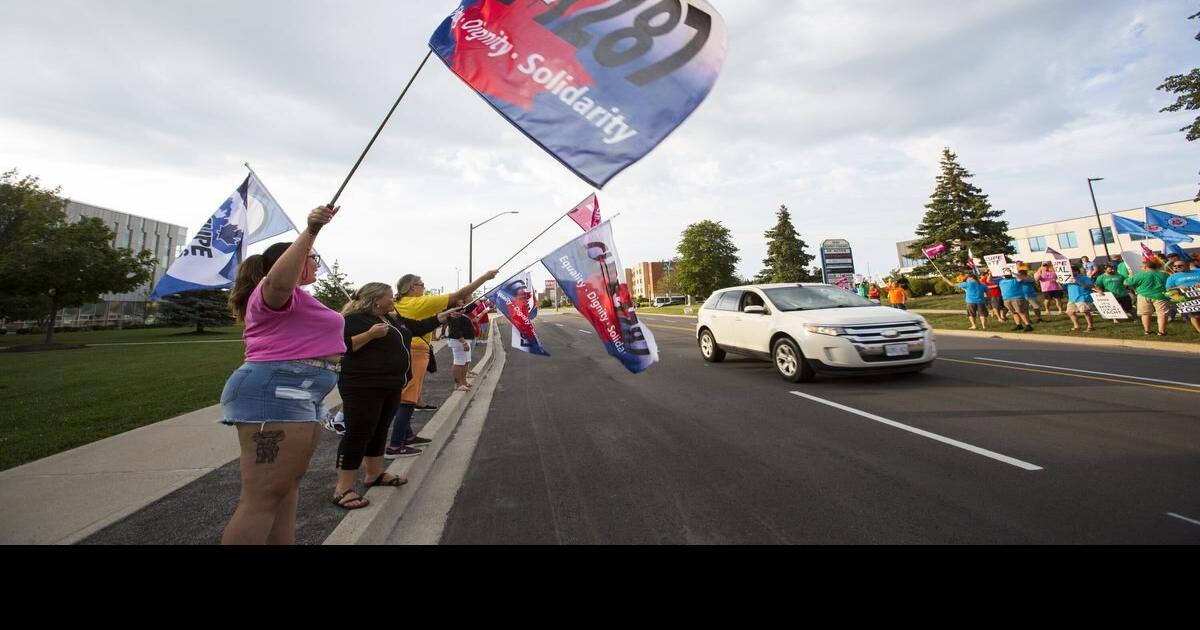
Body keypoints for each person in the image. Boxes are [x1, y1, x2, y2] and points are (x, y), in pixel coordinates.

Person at [219, 206, 343, 545]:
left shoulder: (300, 300)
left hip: (300, 394)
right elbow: (277, 279)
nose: (317, 262)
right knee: (262, 498)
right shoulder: (271, 292)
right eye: (312, 257)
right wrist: (312, 231)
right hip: (276, 391)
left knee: (285, 490)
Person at [331, 283, 456, 510]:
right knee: (359, 433)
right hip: (363, 386)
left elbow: (418, 327)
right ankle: (342, 488)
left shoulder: (392, 318)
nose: (393, 300)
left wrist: (443, 316)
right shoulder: (353, 320)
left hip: (390, 384)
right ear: (376, 300)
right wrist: (369, 335)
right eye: (389, 297)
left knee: (380, 429)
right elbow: (340, 347)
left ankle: (374, 473)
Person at [386, 270, 498, 458]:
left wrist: (446, 314)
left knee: (407, 394)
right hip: (416, 350)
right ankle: (396, 445)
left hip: (407, 349)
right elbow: (460, 294)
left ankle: (408, 435)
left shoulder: (400, 303)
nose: (424, 288)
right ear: (412, 287)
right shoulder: (418, 302)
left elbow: (431, 318)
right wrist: (485, 277)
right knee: (408, 398)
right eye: (422, 284)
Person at [1124, 258, 1172, 336]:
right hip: (1161, 296)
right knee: (1162, 314)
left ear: (1146, 267)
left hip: (1143, 296)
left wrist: (1130, 277)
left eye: (1141, 267)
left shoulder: (1139, 275)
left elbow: (1126, 283)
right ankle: (1162, 332)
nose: (1140, 268)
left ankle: (1147, 331)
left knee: (1145, 314)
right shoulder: (1164, 274)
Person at [446, 297, 476, 391]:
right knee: (459, 362)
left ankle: (464, 382)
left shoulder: (460, 312)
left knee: (465, 362)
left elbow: (470, 307)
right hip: (460, 341)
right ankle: (458, 384)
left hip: (466, 340)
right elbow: (455, 329)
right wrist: (463, 342)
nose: (462, 300)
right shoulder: (453, 314)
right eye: (460, 300)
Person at [1165, 259, 1200, 334]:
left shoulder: (1198, 271)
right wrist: (1178, 287)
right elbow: (1168, 289)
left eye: (1180, 265)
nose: (1177, 267)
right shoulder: (1172, 277)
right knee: (1195, 316)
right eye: (1175, 266)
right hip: (1188, 298)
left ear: (1187, 265)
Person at [1064, 265, 1097, 332]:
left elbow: (1090, 285)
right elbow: (1063, 288)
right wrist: (1058, 282)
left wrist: (1077, 281)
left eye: (1072, 271)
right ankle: (1077, 326)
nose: (1070, 272)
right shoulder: (1068, 278)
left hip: (1082, 297)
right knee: (1070, 312)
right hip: (1072, 298)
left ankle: (1090, 327)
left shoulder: (1083, 277)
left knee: (1086, 312)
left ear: (1076, 271)